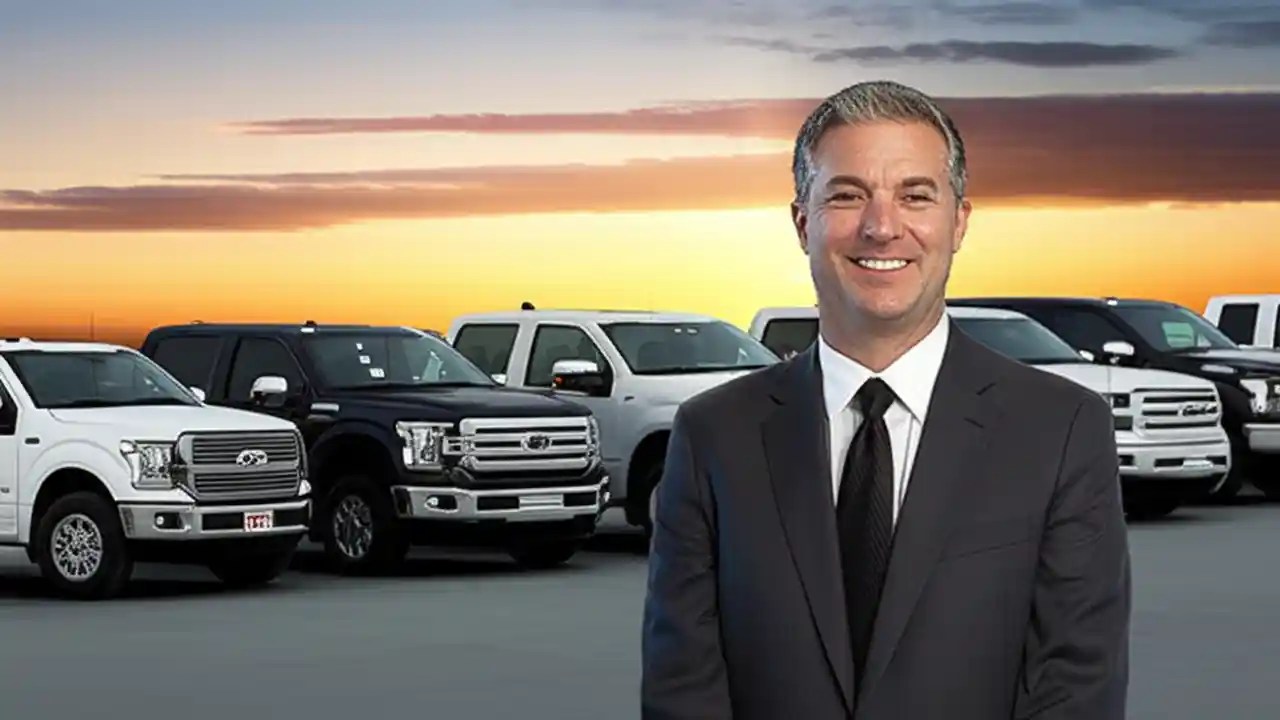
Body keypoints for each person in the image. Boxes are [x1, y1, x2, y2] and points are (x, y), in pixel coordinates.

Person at [640, 80, 1131, 719]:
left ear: (958, 222)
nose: (881, 227)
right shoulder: (714, 435)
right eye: (847, 196)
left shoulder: (1061, 429)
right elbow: (684, 692)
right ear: (801, 222)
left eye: (915, 196)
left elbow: (1076, 690)